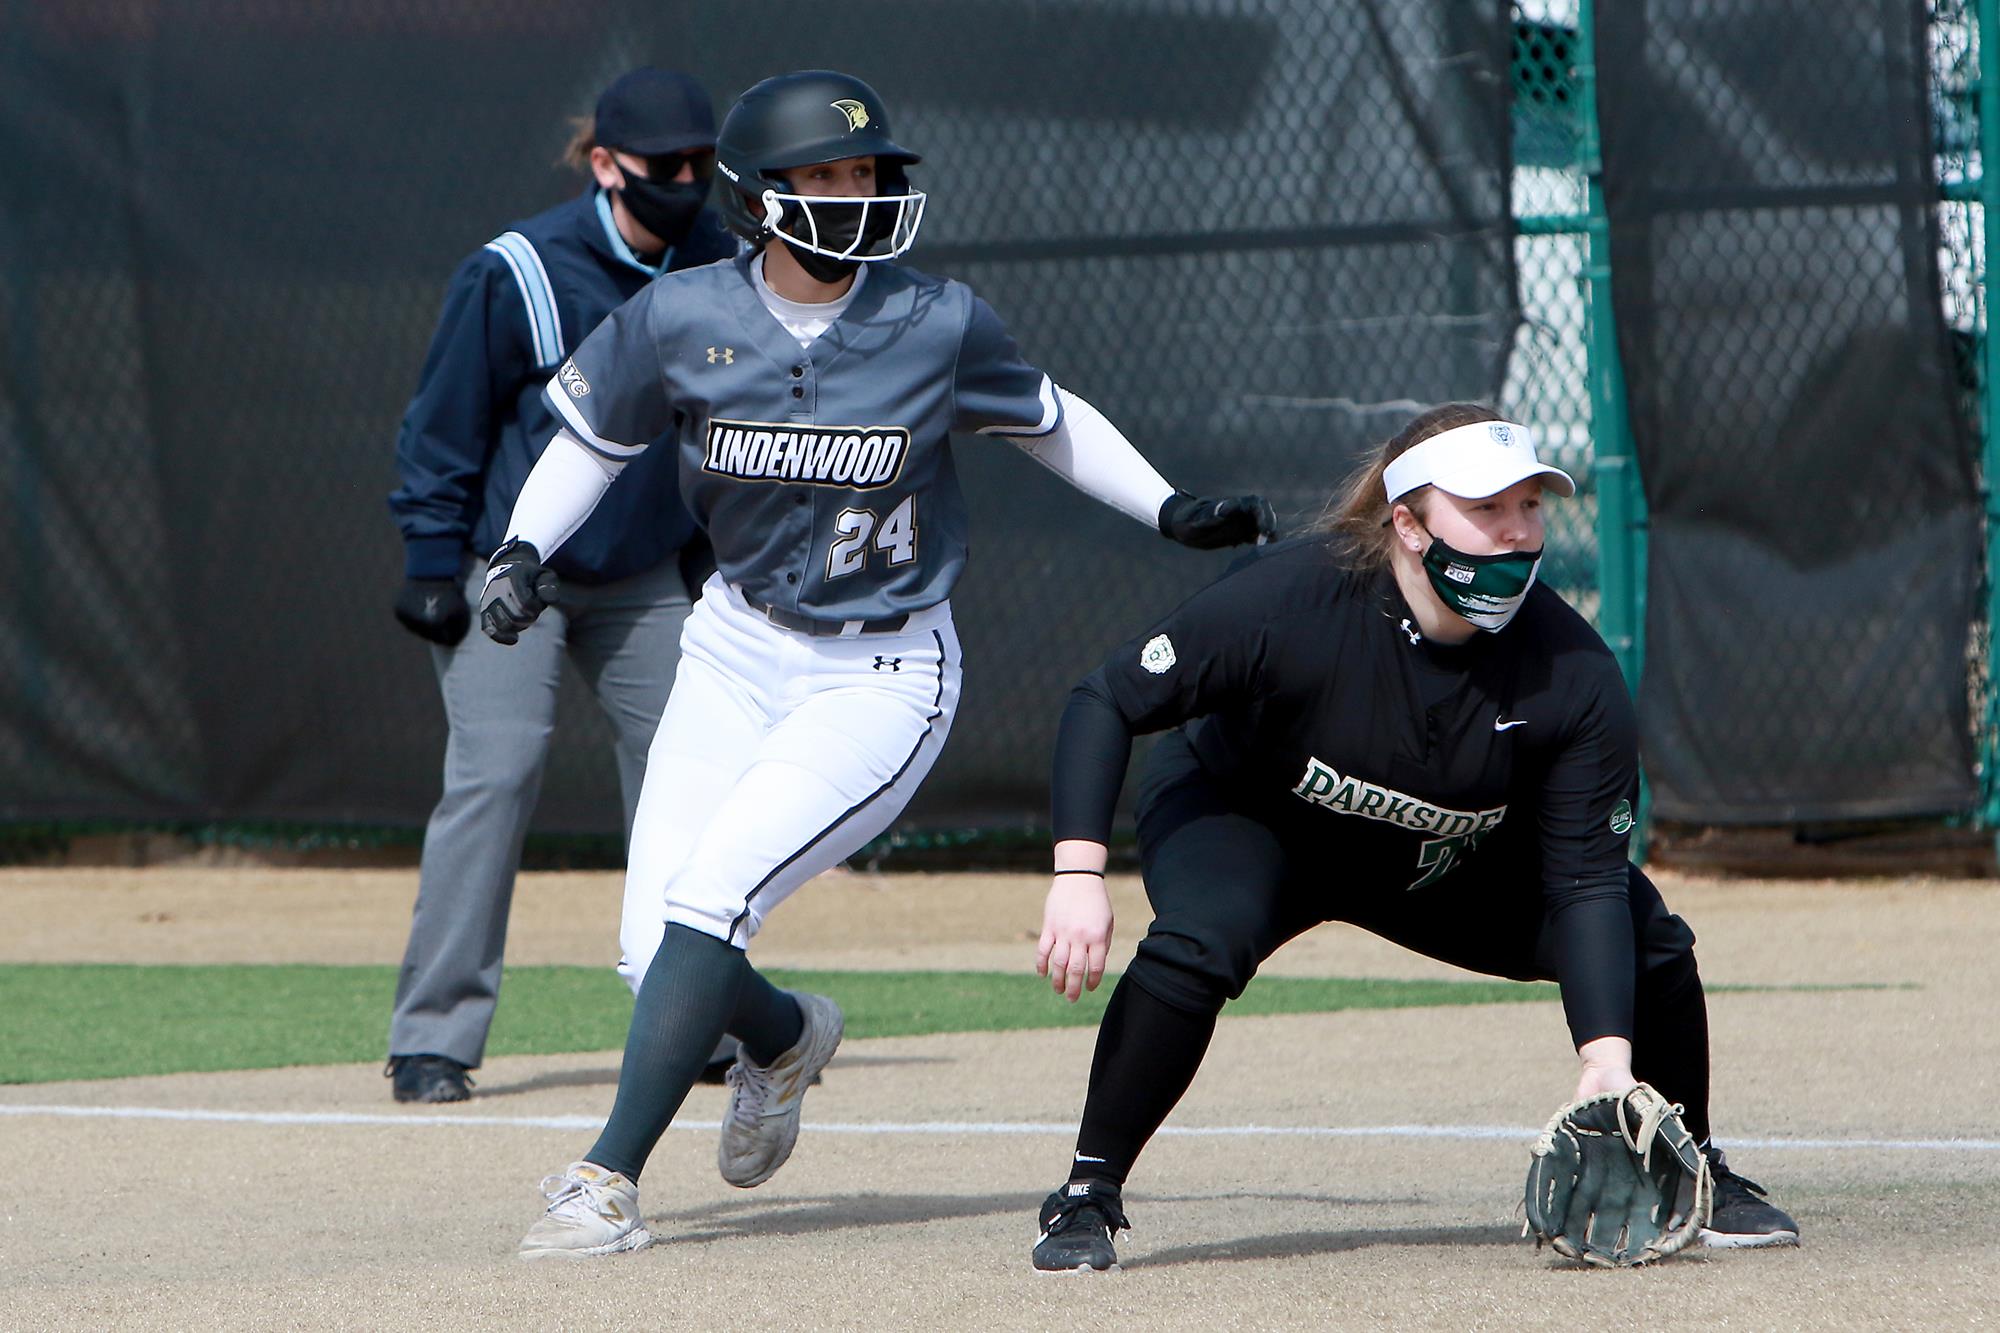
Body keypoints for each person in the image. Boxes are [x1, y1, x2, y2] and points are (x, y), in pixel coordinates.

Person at [482, 69, 1276, 1258]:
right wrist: (519, 549)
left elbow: (1051, 421)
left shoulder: (935, 320)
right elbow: (590, 444)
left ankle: (605, 1177)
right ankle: (788, 1035)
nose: (854, 195)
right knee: (654, 952)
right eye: (824, 176)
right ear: (757, 198)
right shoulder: (679, 314)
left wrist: (1166, 508)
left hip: (880, 672)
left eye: (864, 173)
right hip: (734, 647)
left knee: (709, 904)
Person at [1027, 404, 1801, 1272]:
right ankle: (1088, 1192)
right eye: (1486, 509)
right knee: (1197, 941)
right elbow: (1106, 698)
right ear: (1406, 522)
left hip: (1436, 858)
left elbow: (1584, 880)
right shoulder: (1296, 597)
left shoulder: (1572, 671)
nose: (1516, 534)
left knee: (1648, 934)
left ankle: (1688, 1160)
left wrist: (1608, 1063)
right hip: (1253, 815)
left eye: (1530, 508)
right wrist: (1078, 871)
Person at [383, 68, 737, 1104]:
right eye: (662, 166)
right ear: (602, 164)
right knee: (494, 775)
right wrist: (428, 559)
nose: (684, 179)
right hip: (513, 572)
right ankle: (433, 1036)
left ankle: (700, 1016)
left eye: (699, 163)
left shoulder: (721, 263)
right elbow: (442, 428)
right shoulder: (519, 270)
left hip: (645, 576)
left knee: (695, 781)